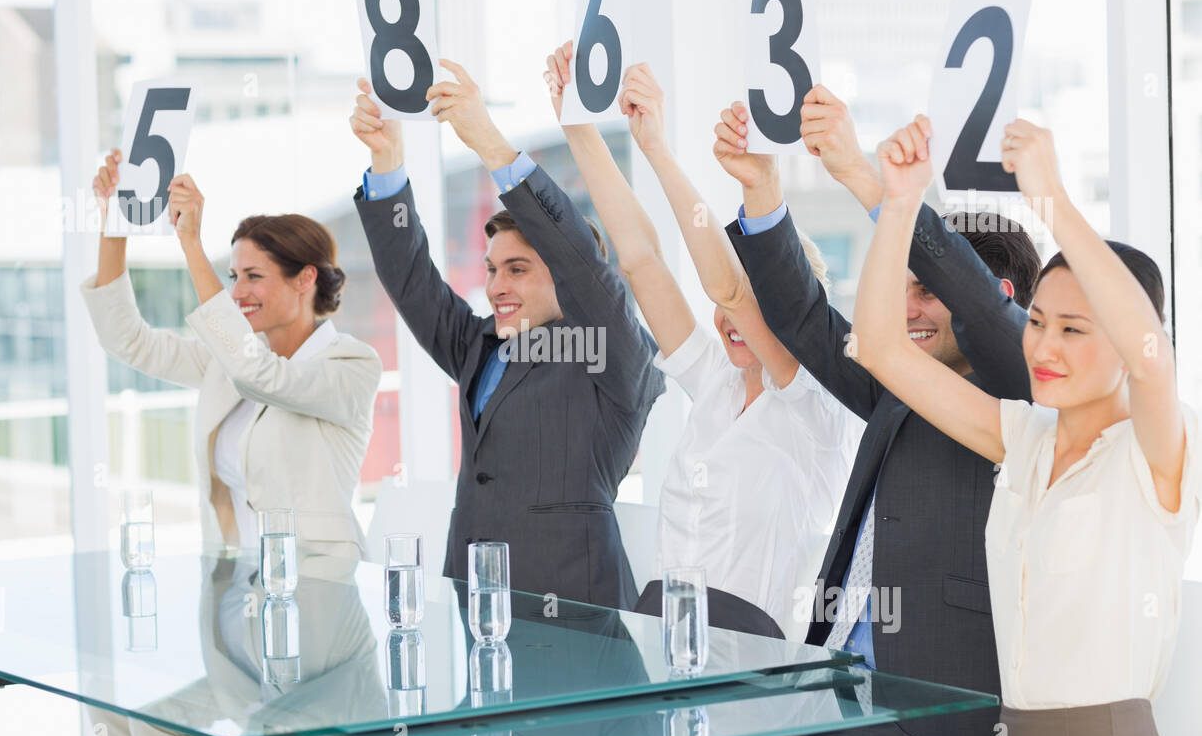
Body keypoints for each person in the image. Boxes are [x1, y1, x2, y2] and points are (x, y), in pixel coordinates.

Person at [849, 115, 1197, 736]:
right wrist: (898, 205)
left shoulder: (1152, 454)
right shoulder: (1025, 439)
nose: (1044, 346)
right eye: (1037, 321)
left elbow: (1153, 361)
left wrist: (1051, 200)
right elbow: (883, 349)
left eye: (1073, 329)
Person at [717, 91, 1041, 736]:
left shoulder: (1022, 395)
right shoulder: (896, 382)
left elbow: (982, 307)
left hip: (935, 731)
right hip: (833, 701)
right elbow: (804, 315)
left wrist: (877, 189)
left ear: (1000, 296)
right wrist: (763, 194)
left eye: (927, 290)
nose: (906, 307)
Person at [542, 43, 860, 637]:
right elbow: (640, 260)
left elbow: (733, 289)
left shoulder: (818, 405)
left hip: (750, 655)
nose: (730, 315)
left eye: (761, 303)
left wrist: (661, 151)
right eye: (725, 305)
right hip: (663, 630)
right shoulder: (715, 377)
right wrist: (580, 127)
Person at [349, 61, 665, 610]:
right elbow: (411, 278)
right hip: (475, 608)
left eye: (517, 269)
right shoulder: (480, 347)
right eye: (492, 269)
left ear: (563, 276)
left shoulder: (614, 354)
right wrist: (386, 164)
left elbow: (579, 256)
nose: (495, 285)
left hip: (574, 620)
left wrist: (489, 143)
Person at [80, 150, 381, 558]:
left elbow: (261, 377)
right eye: (234, 276)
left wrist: (190, 244)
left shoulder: (351, 366)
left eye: (254, 277)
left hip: (320, 591)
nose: (237, 293)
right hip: (236, 591)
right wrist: (114, 228)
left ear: (305, 278)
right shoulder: (229, 361)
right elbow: (126, 340)